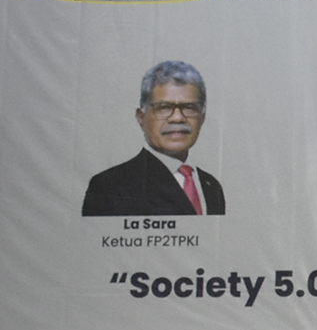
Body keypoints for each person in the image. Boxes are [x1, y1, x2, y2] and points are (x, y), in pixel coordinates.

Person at [82, 61, 225, 216]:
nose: (177, 118)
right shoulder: (111, 186)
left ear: (202, 118)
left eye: (189, 108)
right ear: (141, 117)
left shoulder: (211, 186)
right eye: (164, 108)